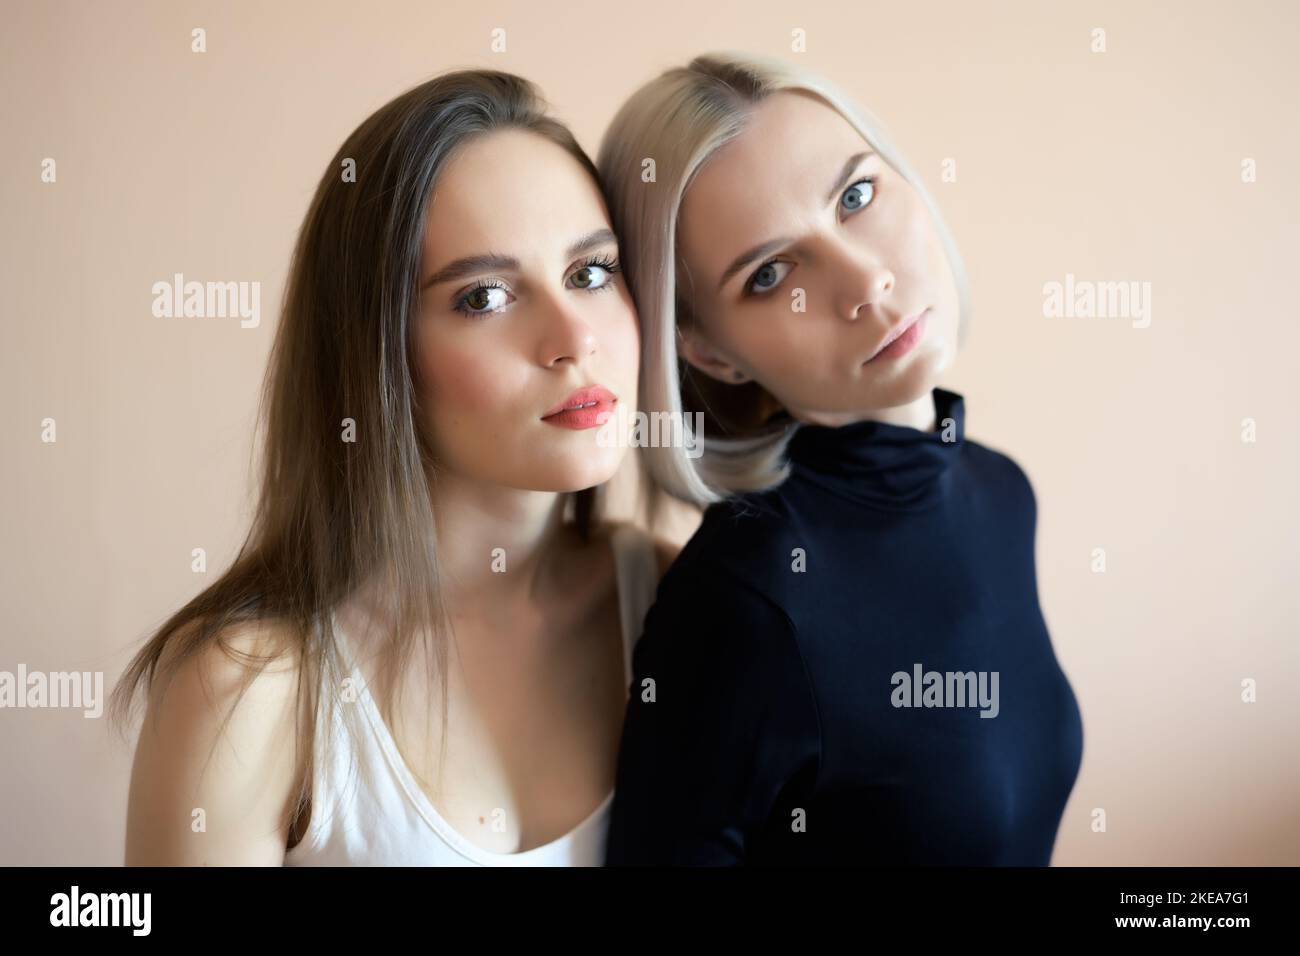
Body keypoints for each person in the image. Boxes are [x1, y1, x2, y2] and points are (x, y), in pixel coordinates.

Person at [111, 69, 673, 866]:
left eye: (591, 273)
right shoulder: (251, 692)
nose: (573, 338)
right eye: (483, 297)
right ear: (376, 356)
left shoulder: (681, 608)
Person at [597, 52, 1084, 865]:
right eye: (771, 273)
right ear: (711, 353)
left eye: (857, 195)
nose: (866, 282)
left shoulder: (999, 489)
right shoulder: (745, 601)